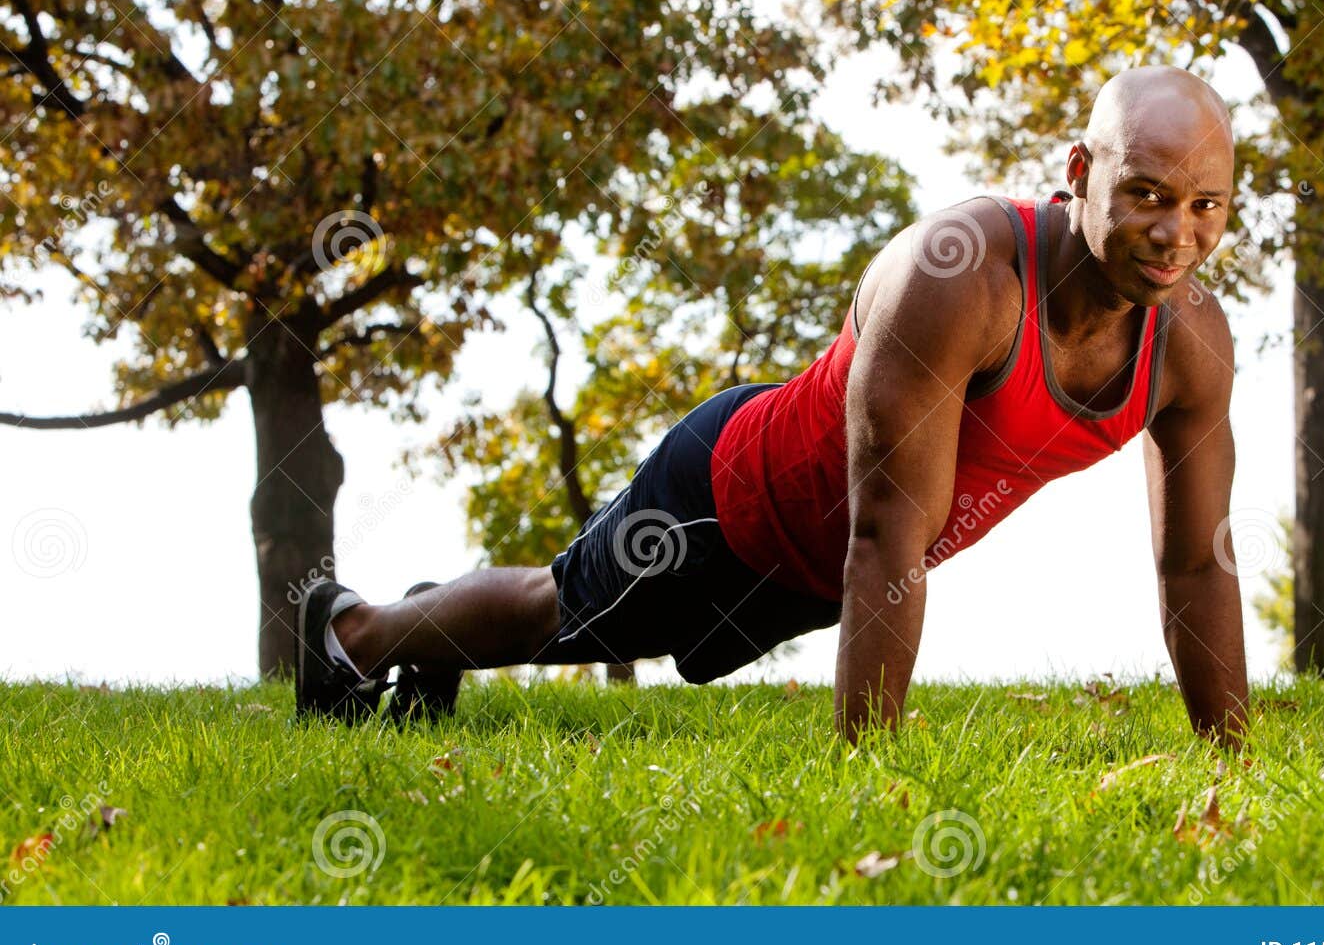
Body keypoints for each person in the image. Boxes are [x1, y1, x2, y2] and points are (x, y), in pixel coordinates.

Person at [297, 65, 1249, 747]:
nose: (1176, 234)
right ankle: (357, 631)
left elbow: (1196, 565)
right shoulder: (963, 276)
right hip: (729, 495)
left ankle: (428, 624)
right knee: (560, 617)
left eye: (1208, 205)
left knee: (610, 632)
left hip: (813, 575)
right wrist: (871, 778)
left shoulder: (1190, 345)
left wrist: (1230, 765)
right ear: (1080, 172)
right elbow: (887, 535)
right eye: (1146, 194)